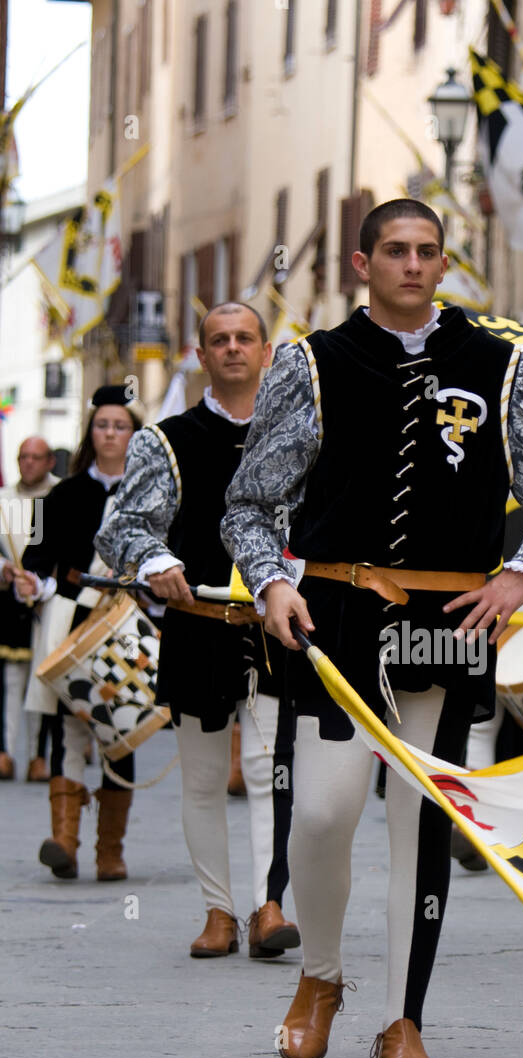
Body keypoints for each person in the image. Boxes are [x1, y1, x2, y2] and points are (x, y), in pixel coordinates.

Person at [222, 198, 523, 1058]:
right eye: (394, 250)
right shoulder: (309, 365)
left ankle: (404, 1020)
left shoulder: (502, 366)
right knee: (322, 816)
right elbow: (248, 504)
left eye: (427, 251)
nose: (411, 263)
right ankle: (320, 976)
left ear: (444, 264)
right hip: (334, 620)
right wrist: (274, 579)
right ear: (363, 264)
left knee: (421, 823)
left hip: (447, 624)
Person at [96, 302, 299, 961]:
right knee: (205, 780)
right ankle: (219, 911)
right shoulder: (166, 439)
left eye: (245, 338)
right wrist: (155, 559)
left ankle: (270, 908)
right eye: (220, 340)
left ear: (266, 352)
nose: (234, 348)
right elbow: (120, 527)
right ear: (203, 355)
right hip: (198, 622)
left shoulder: (299, 433)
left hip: (277, 626)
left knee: (273, 770)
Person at [14, 389, 144, 879]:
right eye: (102, 425)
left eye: (120, 425)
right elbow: (36, 564)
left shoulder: (148, 493)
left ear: (134, 435)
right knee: (67, 725)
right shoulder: (59, 496)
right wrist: (31, 583)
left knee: (120, 729)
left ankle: (109, 850)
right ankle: (64, 840)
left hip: (123, 619)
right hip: (68, 618)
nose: (110, 433)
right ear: (90, 434)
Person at [0, 437, 60, 780]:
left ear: (50, 461)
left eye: (36, 458)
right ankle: (5, 752)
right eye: (24, 457)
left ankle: (40, 756)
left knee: (44, 682)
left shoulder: (59, 497)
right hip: (9, 604)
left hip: (47, 602)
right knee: (9, 681)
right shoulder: (4, 500)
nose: (29, 464)